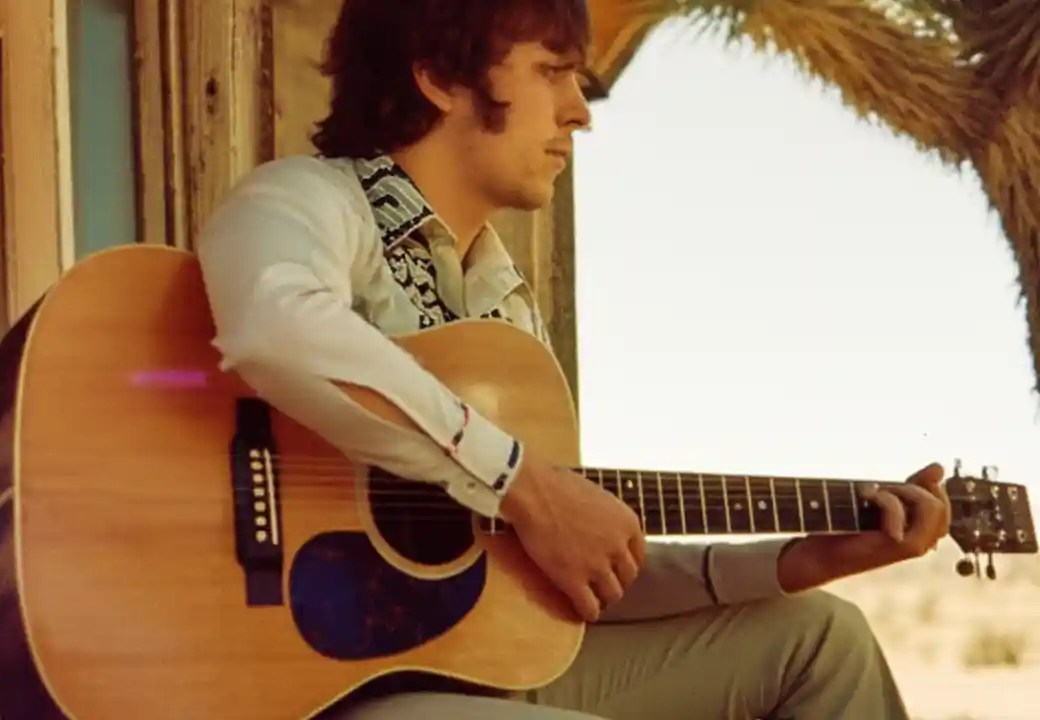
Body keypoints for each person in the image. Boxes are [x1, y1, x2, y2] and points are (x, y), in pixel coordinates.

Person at [197, 0, 951, 717]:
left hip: (452, 669)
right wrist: (522, 482)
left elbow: (564, 566)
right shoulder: (314, 202)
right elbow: (275, 325)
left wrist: (806, 558)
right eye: (551, 71)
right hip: (301, 685)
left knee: (825, 639)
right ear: (438, 76)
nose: (580, 111)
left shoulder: (505, 314)